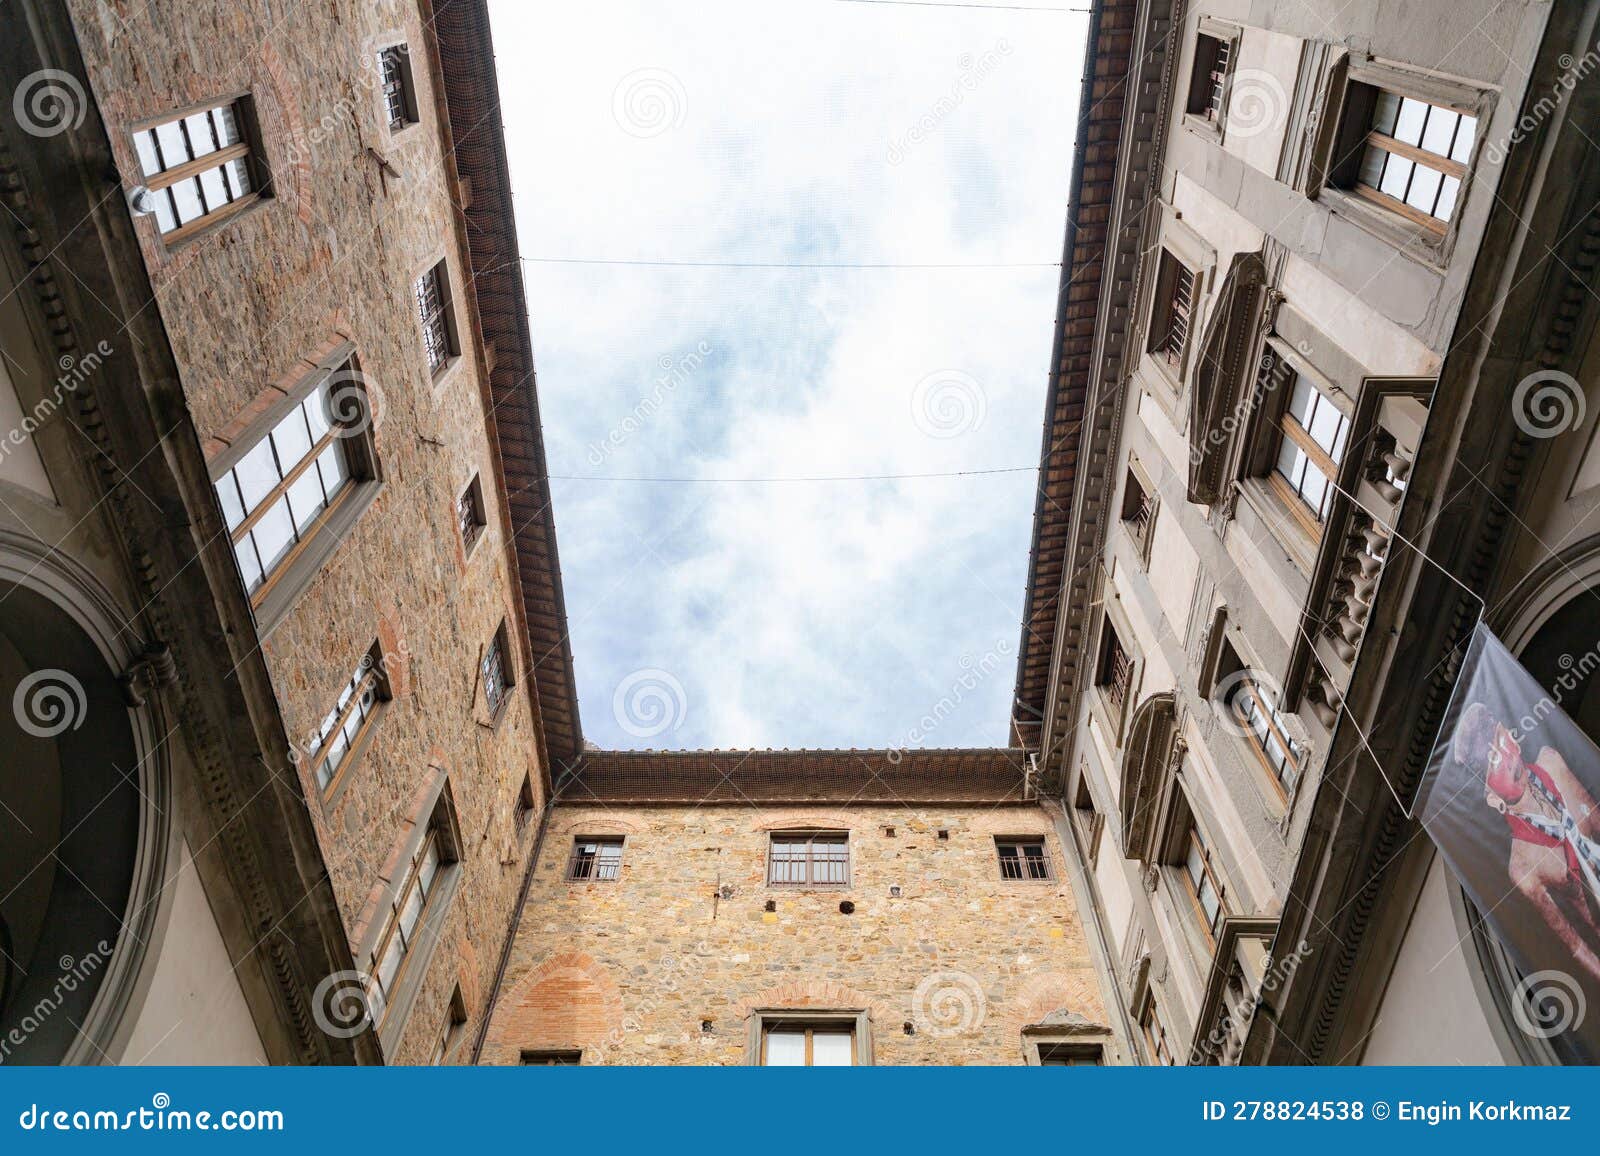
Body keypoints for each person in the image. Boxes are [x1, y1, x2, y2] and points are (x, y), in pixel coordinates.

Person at [1454, 701, 1600, 987]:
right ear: (1492, 798)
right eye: (1493, 763)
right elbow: (1575, 944)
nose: (1506, 757)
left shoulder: (1552, 764)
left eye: (1501, 740)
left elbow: (1596, 816)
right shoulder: (1522, 867)